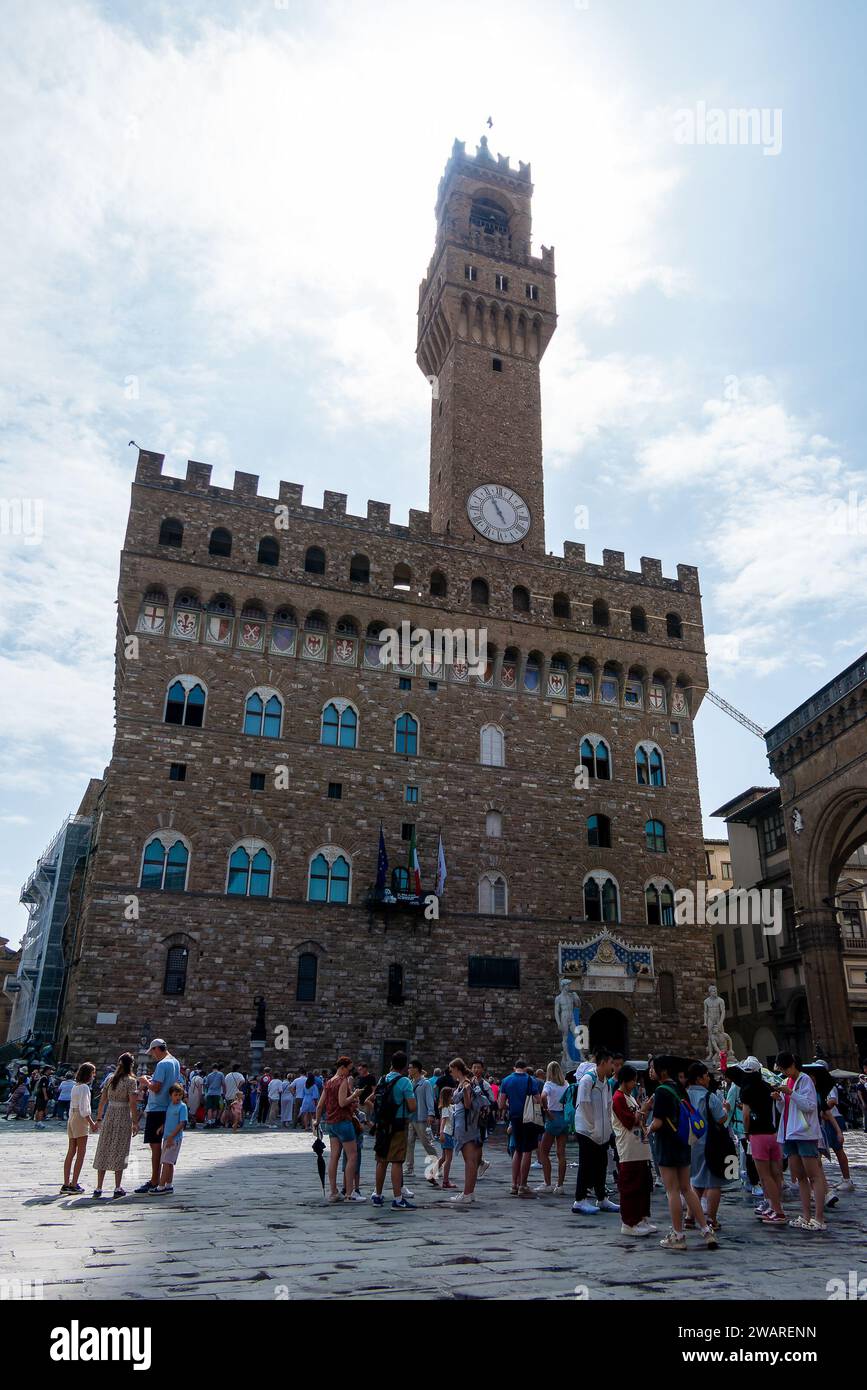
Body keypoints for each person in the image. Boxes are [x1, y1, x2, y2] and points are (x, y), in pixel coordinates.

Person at [646, 1054, 719, 1252]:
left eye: (653, 1068)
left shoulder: (661, 1091)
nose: (650, 1071)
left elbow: (659, 1121)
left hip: (667, 1144)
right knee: (687, 1188)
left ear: (662, 1071)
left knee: (672, 1191)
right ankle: (706, 1230)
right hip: (684, 1143)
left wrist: (647, 1130)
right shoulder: (680, 1088)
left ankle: (678, 1235)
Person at [772, 1052, 825, 1231]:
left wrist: (791, 1093)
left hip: (805, 1133)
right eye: (782, 1069)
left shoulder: (805, 1080)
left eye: (786, 1068)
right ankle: (806, 1215)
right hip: (789, 1133)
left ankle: (819, 1218)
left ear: (794, 1064)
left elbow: (809, 1106)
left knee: (814, 1176)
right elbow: (785, 1108)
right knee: (799, 1176)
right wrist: (779, 1099)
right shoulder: (786, 1082)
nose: (785, 1072)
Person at [737, 1057, 785, 1225]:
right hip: (773, 1134)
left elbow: (746, 1114)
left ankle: (777, 1211)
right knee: (775, 1174)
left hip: (758, 1135)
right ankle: (773, 1207)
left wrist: (746, 1131)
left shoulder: (746, 1089)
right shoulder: (767, 1086)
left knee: (764, 1176)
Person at [572, 1050, 619, 1216]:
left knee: (601, 1164)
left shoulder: (605, 1081)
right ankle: (579, 1200)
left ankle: (601, 1197)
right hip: (587, 1130)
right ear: (604, 1062)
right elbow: (583, 1105)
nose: (613, 1066)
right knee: (586, 1165)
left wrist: (609, 1127)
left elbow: (608, 1105)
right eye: (611, 1063)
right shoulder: (587, 1080)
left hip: (602, 1131)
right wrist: (592, 1127)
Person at [612, 1064, 655, 1235]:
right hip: (629, 1148)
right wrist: (644, 1109)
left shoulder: (630, 1097)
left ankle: (641, 1217)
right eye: (633, 1081)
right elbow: (630, 1121)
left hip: (640, 1146)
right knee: (631, 1185)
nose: (635, 1084)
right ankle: (629, 1222)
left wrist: (643, 1110)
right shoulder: (618, 1098)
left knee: (643, 1185)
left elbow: (639, 1119)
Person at [370, 1050, 416, 1209]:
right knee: (396, 1161)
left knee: (381, 1161)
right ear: (404, 1066)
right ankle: (397, 1199)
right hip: (397, 1125)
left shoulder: (383, 1078)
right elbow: (412, 1106)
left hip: (382, 1125)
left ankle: (377, 1195)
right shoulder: (405, 1081)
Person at [685, 1062, 728, 1230]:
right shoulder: (709, 1096)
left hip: (691, 1143)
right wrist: (726, 1109)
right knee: (713, 1182)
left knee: (695, 1182)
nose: (708, 1078)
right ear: (699, 1078)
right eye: (706, 1075)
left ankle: (689, 1216)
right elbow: (721, 1118)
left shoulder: (685, 1095)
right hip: (710, 1143)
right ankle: (711, 1219)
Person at [136, 1039, 181, 1195]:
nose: (153, 1056)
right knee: (166, 1146)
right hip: (168, 1108)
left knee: (155, 1146)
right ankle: (166, 1182)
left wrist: (145, 1081)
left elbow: (156, 1087)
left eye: (153, 1052)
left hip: (157, 1108)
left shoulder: (162, 1064)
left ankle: (155, 1180)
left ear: (157, 1049)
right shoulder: (175, 1062)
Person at [316, 1057, 364, 1203]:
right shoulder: (342, 1081)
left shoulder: (329, 1082)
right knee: (352, 1156)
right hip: (343, 1122)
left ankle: (334, 1192)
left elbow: (320, 1105)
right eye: (349, 1068)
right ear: (343, 1067)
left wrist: (316, 1121)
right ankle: (349, 1193)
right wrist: (355, 1095)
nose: (350, 1072)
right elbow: (343, 1102)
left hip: (330, 1123)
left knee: (334, 1156)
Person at [92, 1052, 139, 1199]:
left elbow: (102, 1101)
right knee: (121, 1149)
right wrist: (135, 1122)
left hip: (110, 1114)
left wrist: (99, 1118)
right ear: (131, 1064)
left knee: (104, 1148)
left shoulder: (110, 1079)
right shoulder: (131, 1081)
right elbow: (132, 1103)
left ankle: (99, 1187)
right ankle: (117, 1187)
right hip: (123, 1115)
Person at [498, 1059, 542, 1197]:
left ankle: (514, 1184)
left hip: (515, 1117)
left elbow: (501, 1104)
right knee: (527, 1150)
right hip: (528, 1118)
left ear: (514, 1068)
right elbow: (538, 1099)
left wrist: (511, 1106)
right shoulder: (531, 1080)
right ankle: (523, 1184)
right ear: (526, 1068)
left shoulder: (506, 1080)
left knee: (517, 1149)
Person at [447, 1057, 484, 1205]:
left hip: (465, 1124)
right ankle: (469, 1192)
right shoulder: (466, 1083)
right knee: (471, 1160)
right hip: (469, 1124)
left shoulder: (465, 1084)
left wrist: (465, 1093)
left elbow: (468, 1104)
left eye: (451, 1070)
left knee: (469, 1160)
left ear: (457, 1069)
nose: (451, 1073)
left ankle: (467, 1193)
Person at [61, 1062, 99, 1193]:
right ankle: (74, 1183)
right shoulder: (84, 1088)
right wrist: (92, 1123)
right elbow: (84, 1109)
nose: (94, 1076)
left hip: (72, 1117)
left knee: (71, 1151)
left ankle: (66, 1183)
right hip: (80, 1118)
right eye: (93, 1073)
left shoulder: (75, 1087)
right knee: (81, 1153)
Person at [537, 1061, 569, 1195]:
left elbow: (543, 1096)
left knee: (544, 1152)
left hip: (553, 1117)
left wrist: (546, 1109)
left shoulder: (549, 1084)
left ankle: (547, 1183)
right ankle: (560, 1185)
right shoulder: (566, 1084)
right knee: (561, 1153)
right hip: (564, 1118)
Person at [405, 1059, 439, 1178]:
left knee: (427, 1143)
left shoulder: (426, 1083)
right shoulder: (410, 1082)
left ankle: (436, 1166)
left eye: (410, 1068)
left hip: (421, 1117)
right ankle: (409, 1168)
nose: (408, 1070)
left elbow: (430, 1099)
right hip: (411, 1117)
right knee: (409, 1143)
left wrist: (431, 1113)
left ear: (416, 1069)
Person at [155, 1082, 188, 1193]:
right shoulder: (170, 1105)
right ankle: (169, 1184)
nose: (178, 1097)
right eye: (176, 1095)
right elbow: (168, 1119)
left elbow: (182, 1123)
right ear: (171, 1095)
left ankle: (161, 1186)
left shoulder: (182, 1107)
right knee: (169, 1162)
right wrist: (162, 1127)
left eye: (180, 1095)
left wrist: (172, 1136)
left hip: (174, 1138)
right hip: (167, 1136)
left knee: (166, 1162)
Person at [433, 1086, 457, 1189]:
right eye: (451, 1095)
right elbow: (443, 1121)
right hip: (447, 1134)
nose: (452, 1097)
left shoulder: (450, 1107)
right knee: (448, 1159)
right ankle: (446, 1181)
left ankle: (431, 1173)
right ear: (448, 1096)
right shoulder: (446, 1108)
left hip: (447, 1133)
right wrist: (441, 1132)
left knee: (443, 1157)